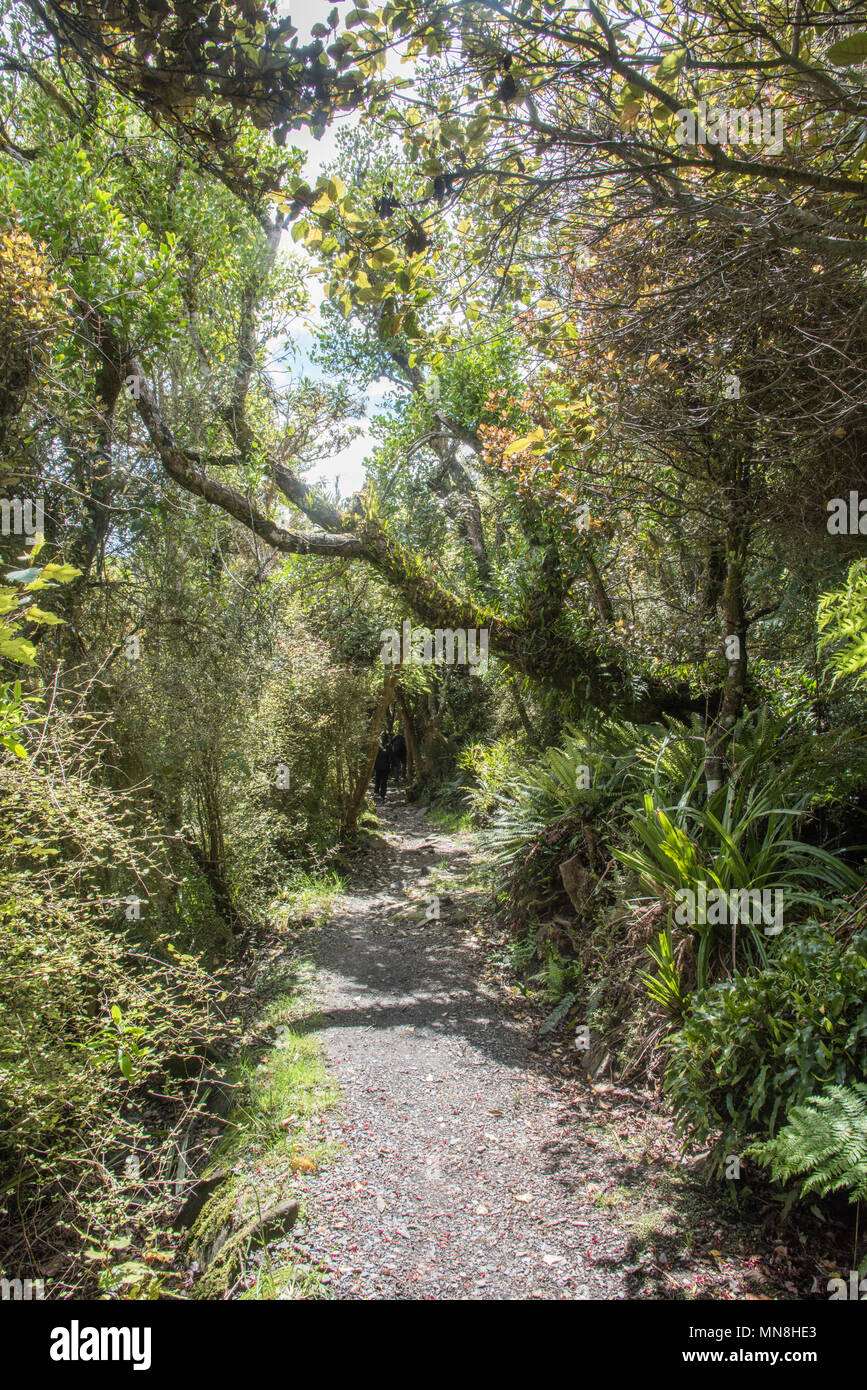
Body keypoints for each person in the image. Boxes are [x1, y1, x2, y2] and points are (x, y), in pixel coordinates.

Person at [373, 731, 391, 800]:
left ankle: (377, 792)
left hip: (379, 765)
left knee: (378, 779)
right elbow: (390, 755)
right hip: (384, 766)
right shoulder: (388, 745)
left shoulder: (378, 745)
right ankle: (381, 794)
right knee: (383, 780)